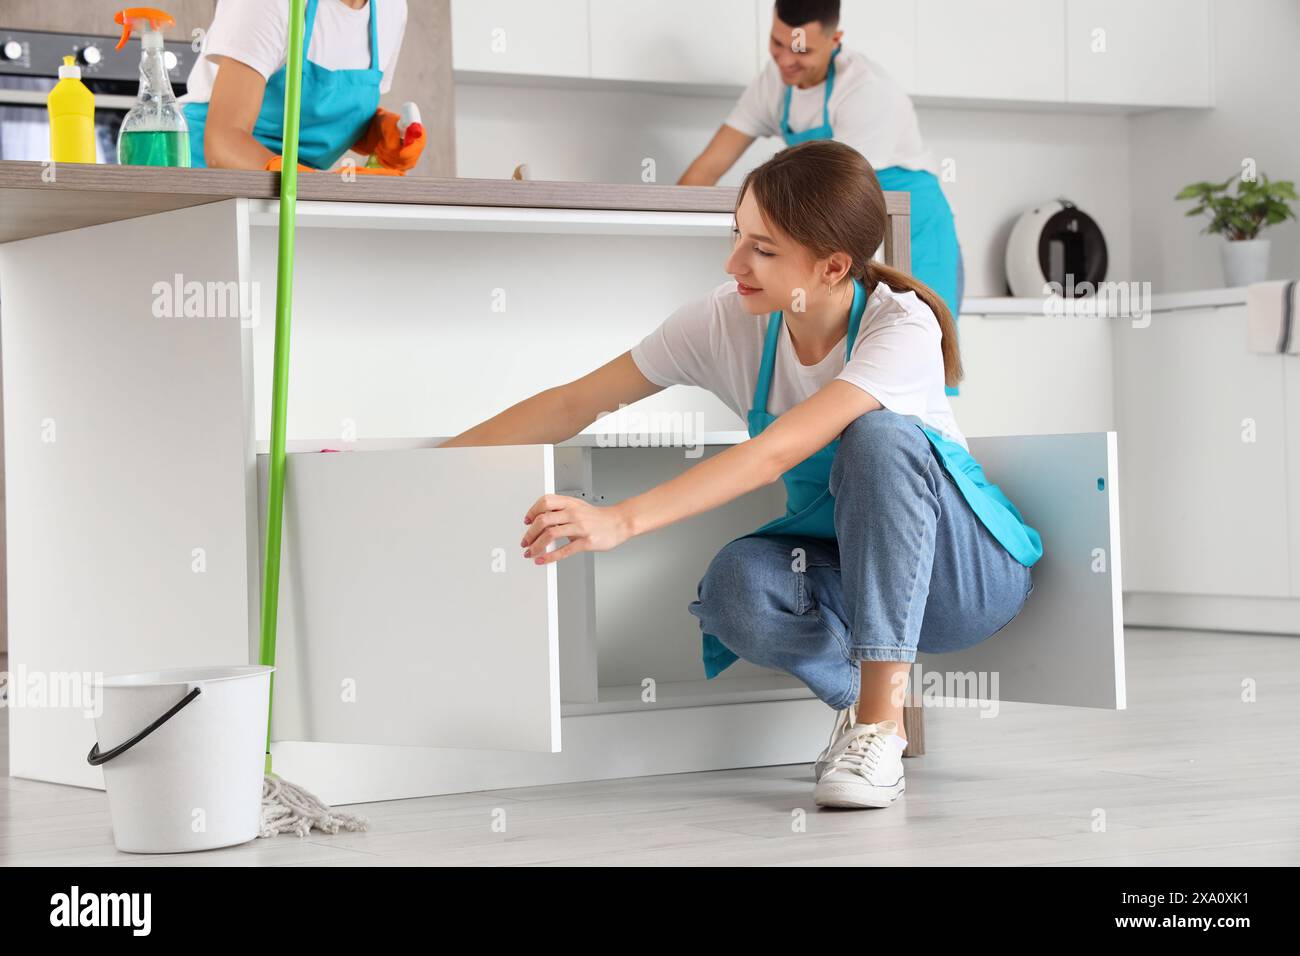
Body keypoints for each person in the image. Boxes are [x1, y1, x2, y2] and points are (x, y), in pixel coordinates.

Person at [680, 0, 963, 396]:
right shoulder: (775, 81)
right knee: (844, 377)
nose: (785, 62)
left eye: (801, 52)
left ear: (836, 41)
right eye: (776, 44)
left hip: (908, 227)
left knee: (915, 371)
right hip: (839, 230)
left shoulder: (865, 91)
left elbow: (834, 194)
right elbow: (706, 168)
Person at [177, 0, 423, 173]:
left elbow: (324, 116)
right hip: (201, 185)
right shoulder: (270, 4)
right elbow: (223, 143)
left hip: (291, 194)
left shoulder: (391, 8)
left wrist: (383, 134)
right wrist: (315, 190)